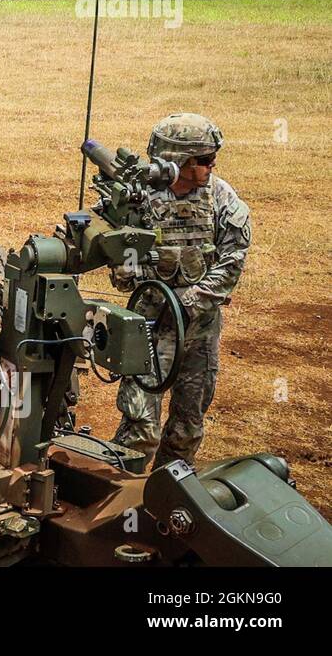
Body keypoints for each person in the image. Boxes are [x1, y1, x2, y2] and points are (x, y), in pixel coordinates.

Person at [112, 113, 252, 470]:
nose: (211, 165)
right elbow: (117, 257)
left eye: (211, 158)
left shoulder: (221, 197)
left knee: (186, 431)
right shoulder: (136, 200)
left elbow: (232, 260)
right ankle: (116, 510)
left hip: (199, 331)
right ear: (177, 161)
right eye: (203, 159)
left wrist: (193, 300)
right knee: (140, 432)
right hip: (147, 329)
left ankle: (166, 504)